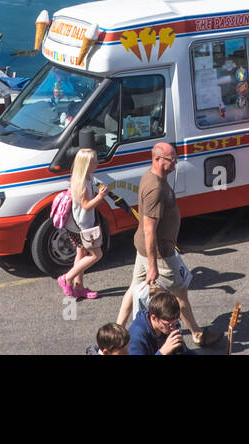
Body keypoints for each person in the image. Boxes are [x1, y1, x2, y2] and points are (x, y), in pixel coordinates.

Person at [115, 142, 220, 347]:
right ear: (157, 159)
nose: (175, 163)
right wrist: (153, 266)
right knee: (180, 294)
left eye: (175, 159)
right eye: (171, 160)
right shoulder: (155, 188)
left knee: (134, 288)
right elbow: (149, 229)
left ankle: (117, 334)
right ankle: (198, 335)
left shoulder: (155, 176)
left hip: (146, 250)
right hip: (160, 253)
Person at [59, 148, 107, 299]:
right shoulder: (82, 183)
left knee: (81, 253)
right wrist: (101, 196)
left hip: (75, 225)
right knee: (96, 254)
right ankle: (67, 278)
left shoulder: (81, 177)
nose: (97, 163)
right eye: (94, 161)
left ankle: (78, 287)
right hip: (83, 226)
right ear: (86, 164)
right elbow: (86, 205)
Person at [127, 290, 187, 355]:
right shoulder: (137, 336)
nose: (173, 328)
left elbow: (185, 352)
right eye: (168, 324)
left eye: (176, 322)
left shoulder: (171, 323)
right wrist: (163, 352)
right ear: (154, 318)